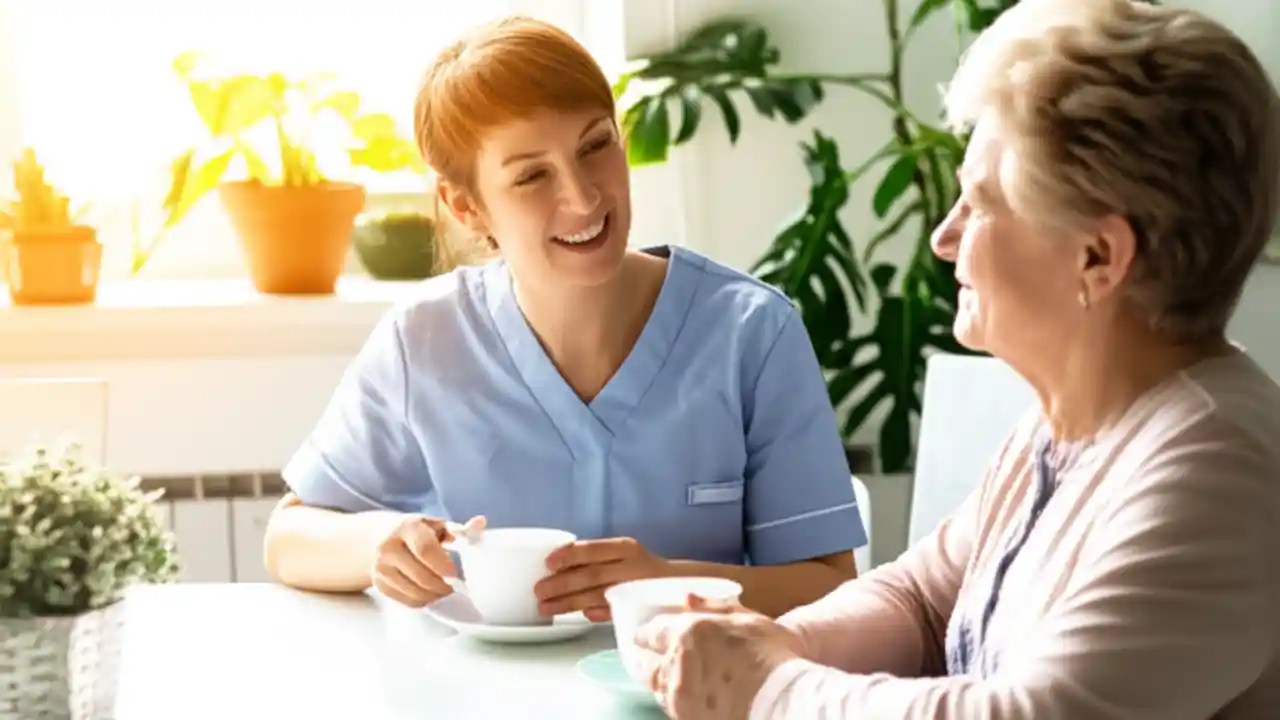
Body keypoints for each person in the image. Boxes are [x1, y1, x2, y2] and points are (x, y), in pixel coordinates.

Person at [635, 0, 1280, 717]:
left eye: (978, 203)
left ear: (1098, 256)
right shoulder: (1069, 426)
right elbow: (919, 601)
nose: (945, 237)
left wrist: (766, 685)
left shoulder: (1217, 468)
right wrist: (771, 643)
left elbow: (1028, 715)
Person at [262, 16, 867, 622]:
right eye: (532, 176)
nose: (583, 197)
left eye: (595, 146)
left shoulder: (753, 334)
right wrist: (379, 544)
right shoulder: (423, 341)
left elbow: (832, 589)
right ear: (467, 205)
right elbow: (289, 538)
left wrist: (665, 583)